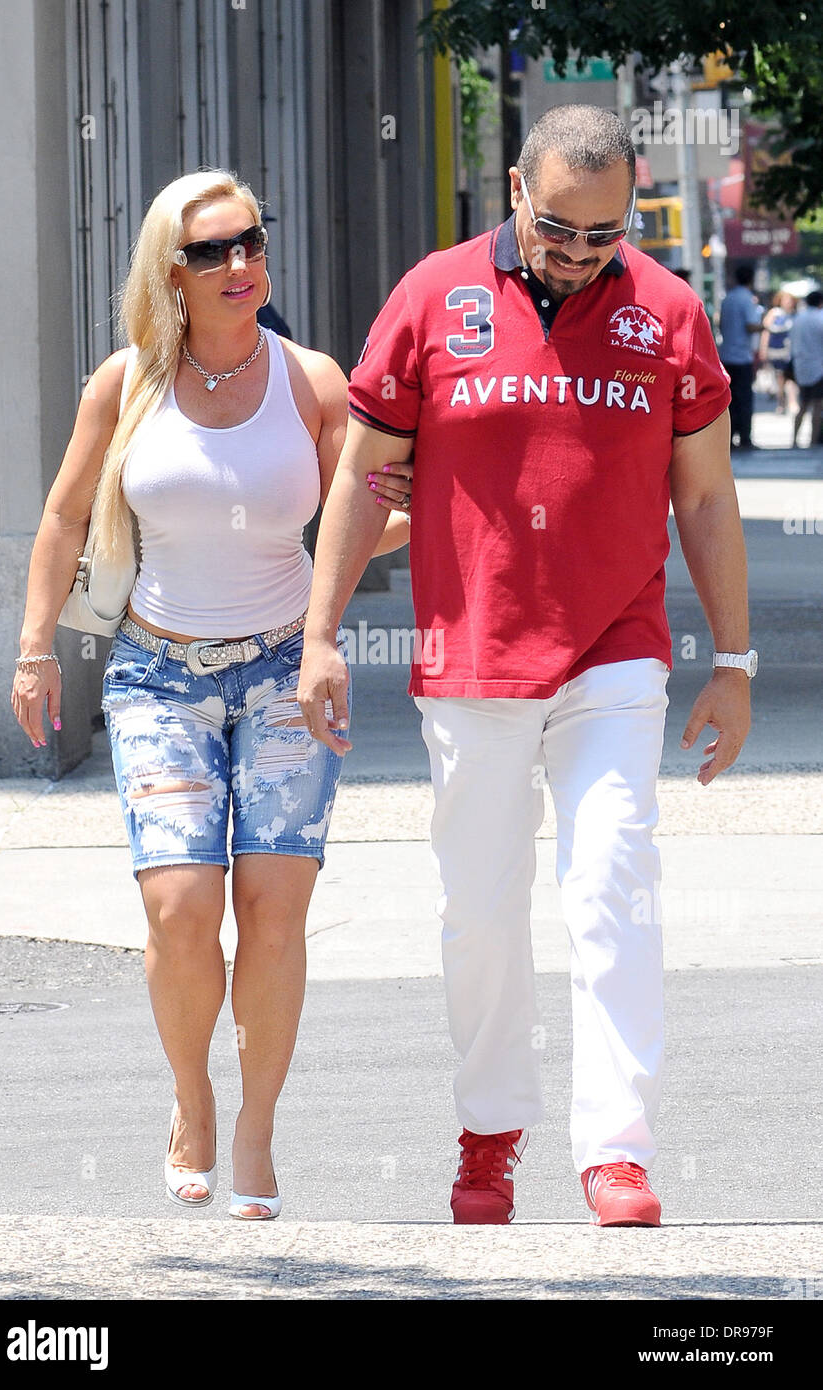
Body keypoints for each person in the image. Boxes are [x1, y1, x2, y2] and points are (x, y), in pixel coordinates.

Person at [298, 104, 756, 1228]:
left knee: (610, 891)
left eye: (604, 234)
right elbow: (365, 477)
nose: (577, 252)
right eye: (557, 228)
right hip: (471, 654)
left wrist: (734, 659)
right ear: (514, 187)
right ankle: (488, 1133)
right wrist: (319, 635)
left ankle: (615, 1152)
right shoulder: (432, 296)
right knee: (480, 910)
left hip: (614, 654)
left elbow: (700, 495)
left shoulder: (667, 313)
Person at [11, 169, 413, 1220]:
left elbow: (349, 526)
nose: (241, 265)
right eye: (212, 251)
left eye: (250, 243)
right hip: (155, 674)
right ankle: (190, 1096)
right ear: (169, 272)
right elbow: (60, 521)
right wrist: (34, 649)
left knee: (273, 916)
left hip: (286, 668)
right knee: (181, 910)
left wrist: (444, 504)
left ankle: (255, 1125)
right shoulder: (125, 383)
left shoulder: (314, 381)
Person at [718, 263, 764, 450]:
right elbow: (751, 325)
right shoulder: (747, 299)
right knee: (744, 398)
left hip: (726, 354)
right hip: (742, 356)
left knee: (728, 400)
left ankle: (728, 438)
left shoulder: (727, 298)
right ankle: (745, 437)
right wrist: (766, 326)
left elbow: (721, 324)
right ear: (751, 280)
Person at [789, 289, 823, 448]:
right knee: (818, 405)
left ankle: (794, 439)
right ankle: (813, 440)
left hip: (800, 367)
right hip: (818, 367)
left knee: (803, 404)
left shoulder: (797, 319)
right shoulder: (820, 318)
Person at [759, 289, 798, 416]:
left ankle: (791, 402)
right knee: (780, 378)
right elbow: (766, 331)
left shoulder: (794, 315)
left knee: (790, 378)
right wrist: (763, 349)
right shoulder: (774, 313)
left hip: (790, 351)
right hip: (776, 351)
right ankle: (781, 402)